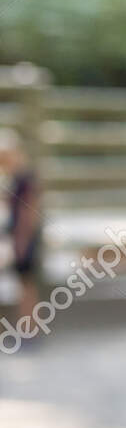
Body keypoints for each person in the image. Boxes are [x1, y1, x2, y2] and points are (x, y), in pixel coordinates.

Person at [0, 127, 42, 337]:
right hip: (19, 238)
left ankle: (30, 332)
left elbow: (28, 212)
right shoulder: (15, 177)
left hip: (24, 239)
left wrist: (22, 243)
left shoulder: (24, 177)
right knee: (22, 287)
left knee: (27, 288)